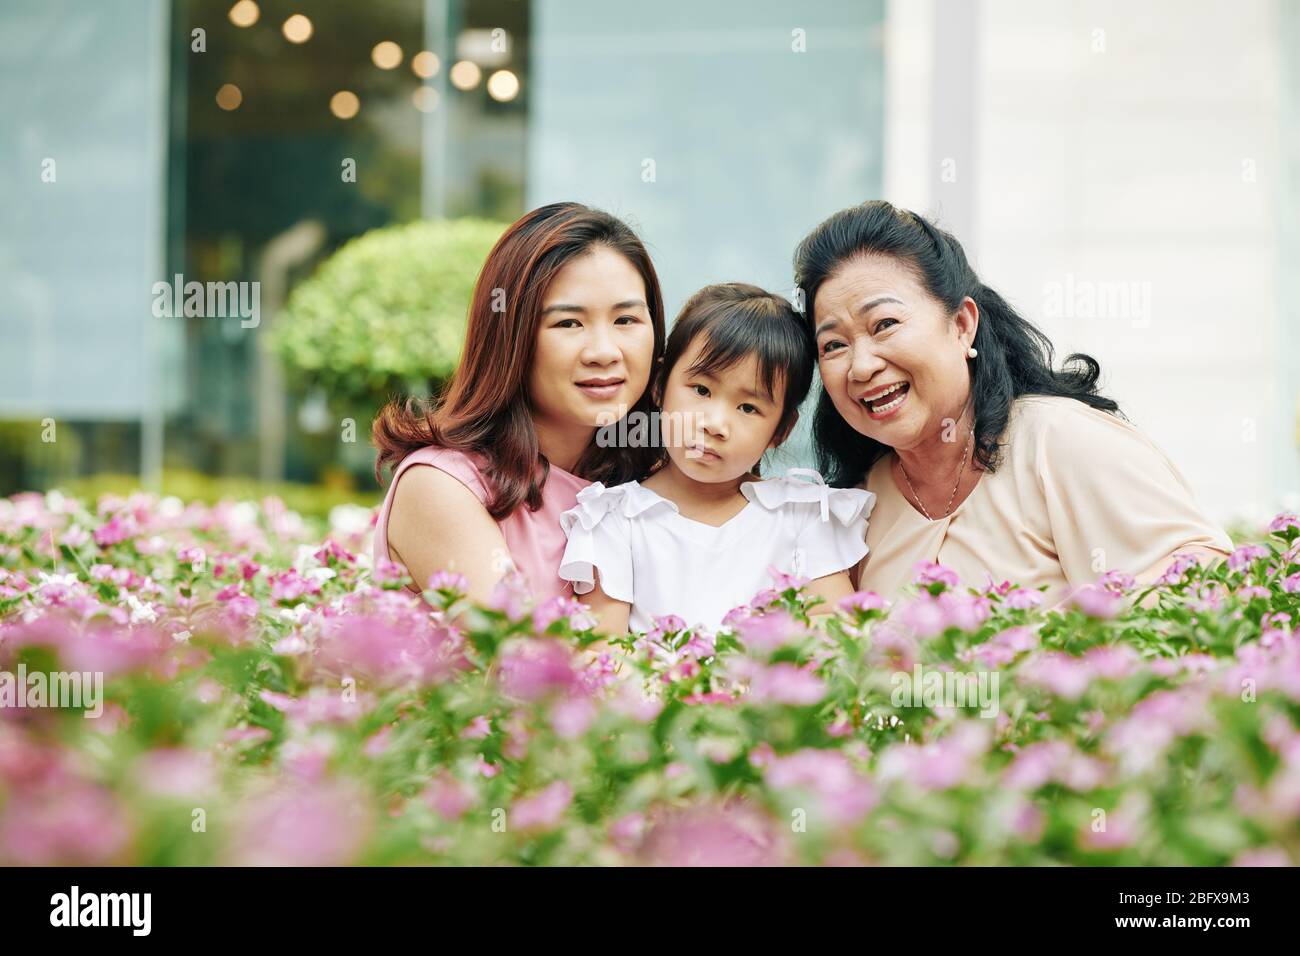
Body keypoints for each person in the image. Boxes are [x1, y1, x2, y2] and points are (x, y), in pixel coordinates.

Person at [795, 200, 1231, 598]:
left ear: (962, 325)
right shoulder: (858, 505)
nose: (862, 366)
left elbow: (1201, 588)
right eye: (833, 346)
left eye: (884, 323)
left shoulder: (1059, 441)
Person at [371, 202, 666, 604]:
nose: (604, 351)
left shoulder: (657, 478)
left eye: (626, 320)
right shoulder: (444, 487)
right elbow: (524, 659)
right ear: (510, 337)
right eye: (568, 323)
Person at [558, 283, 874, 634]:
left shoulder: (803, 516)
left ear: (781, 430)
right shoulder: (615, 520)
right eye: (702, 390)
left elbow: (837, 633)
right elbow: (602, 651)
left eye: (748, 407)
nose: (715, 424)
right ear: (660, 385)